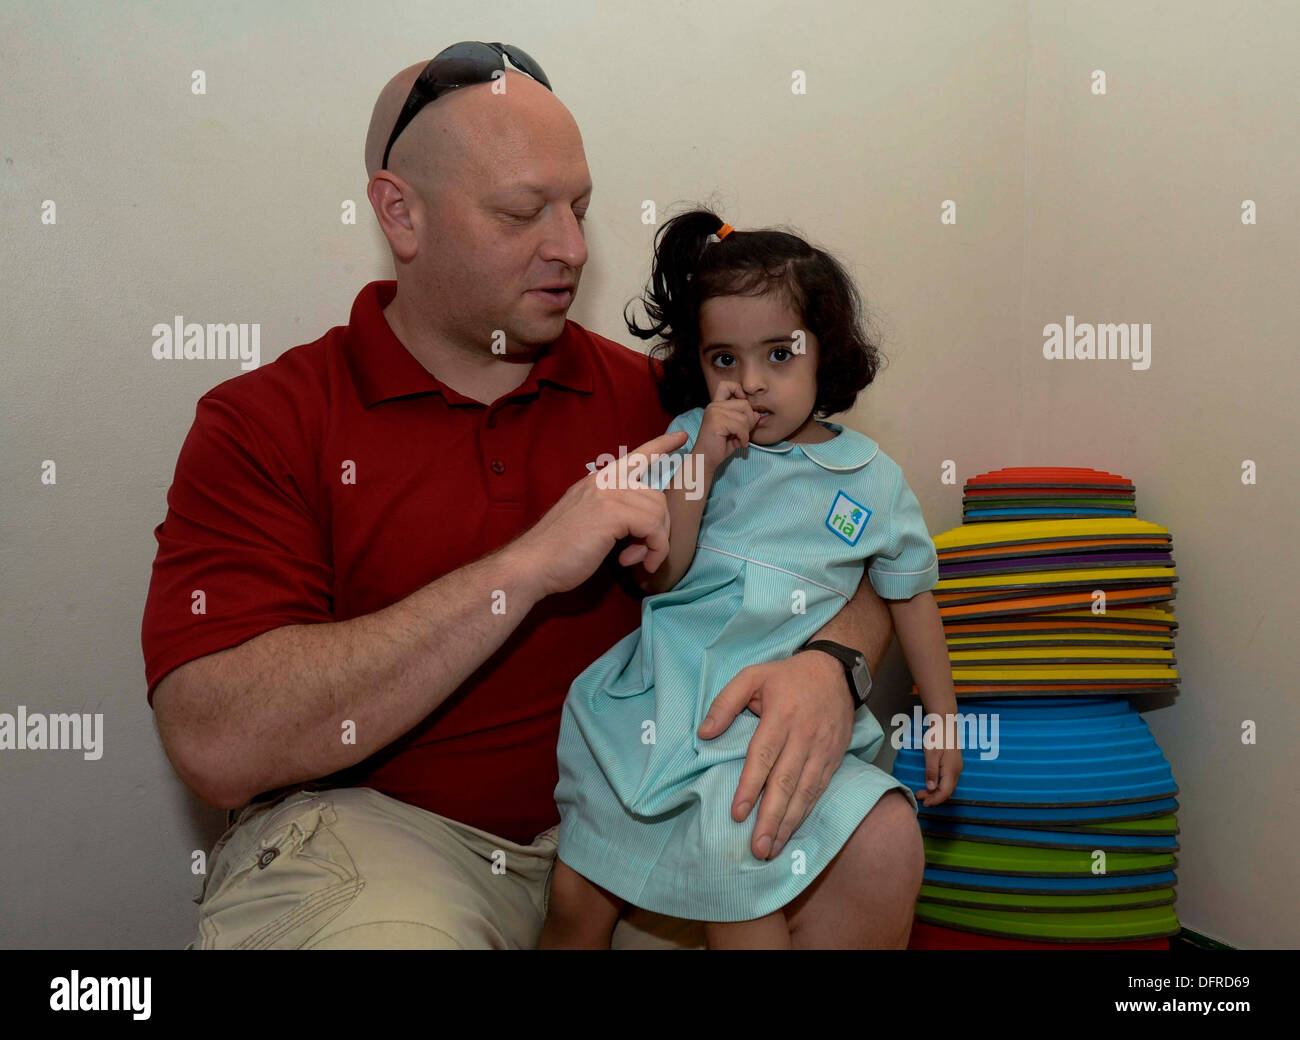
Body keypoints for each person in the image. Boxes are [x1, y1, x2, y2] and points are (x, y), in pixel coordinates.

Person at [142, 43, 928, 950]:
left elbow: (866, 539)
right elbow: (214, 742)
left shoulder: (672, 400)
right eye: (524, 213)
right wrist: (527, 566)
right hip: (388, 834)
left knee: (874, 841)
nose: (573, 248)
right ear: (402, 214)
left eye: (581, 207)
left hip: (644, 817)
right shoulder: (269, 420)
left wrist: (834, 663)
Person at [539, 211, 962, 949]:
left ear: (823, 352)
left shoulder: (871, 479)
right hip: (660, 711)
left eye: (778, 353)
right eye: (724, 360)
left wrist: (944, 713)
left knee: (747, 898)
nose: (752, 382)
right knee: (576, 899)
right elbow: (659, 576)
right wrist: (703, 455)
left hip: (766, 732)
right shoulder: (690, 446)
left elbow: (911, 598)